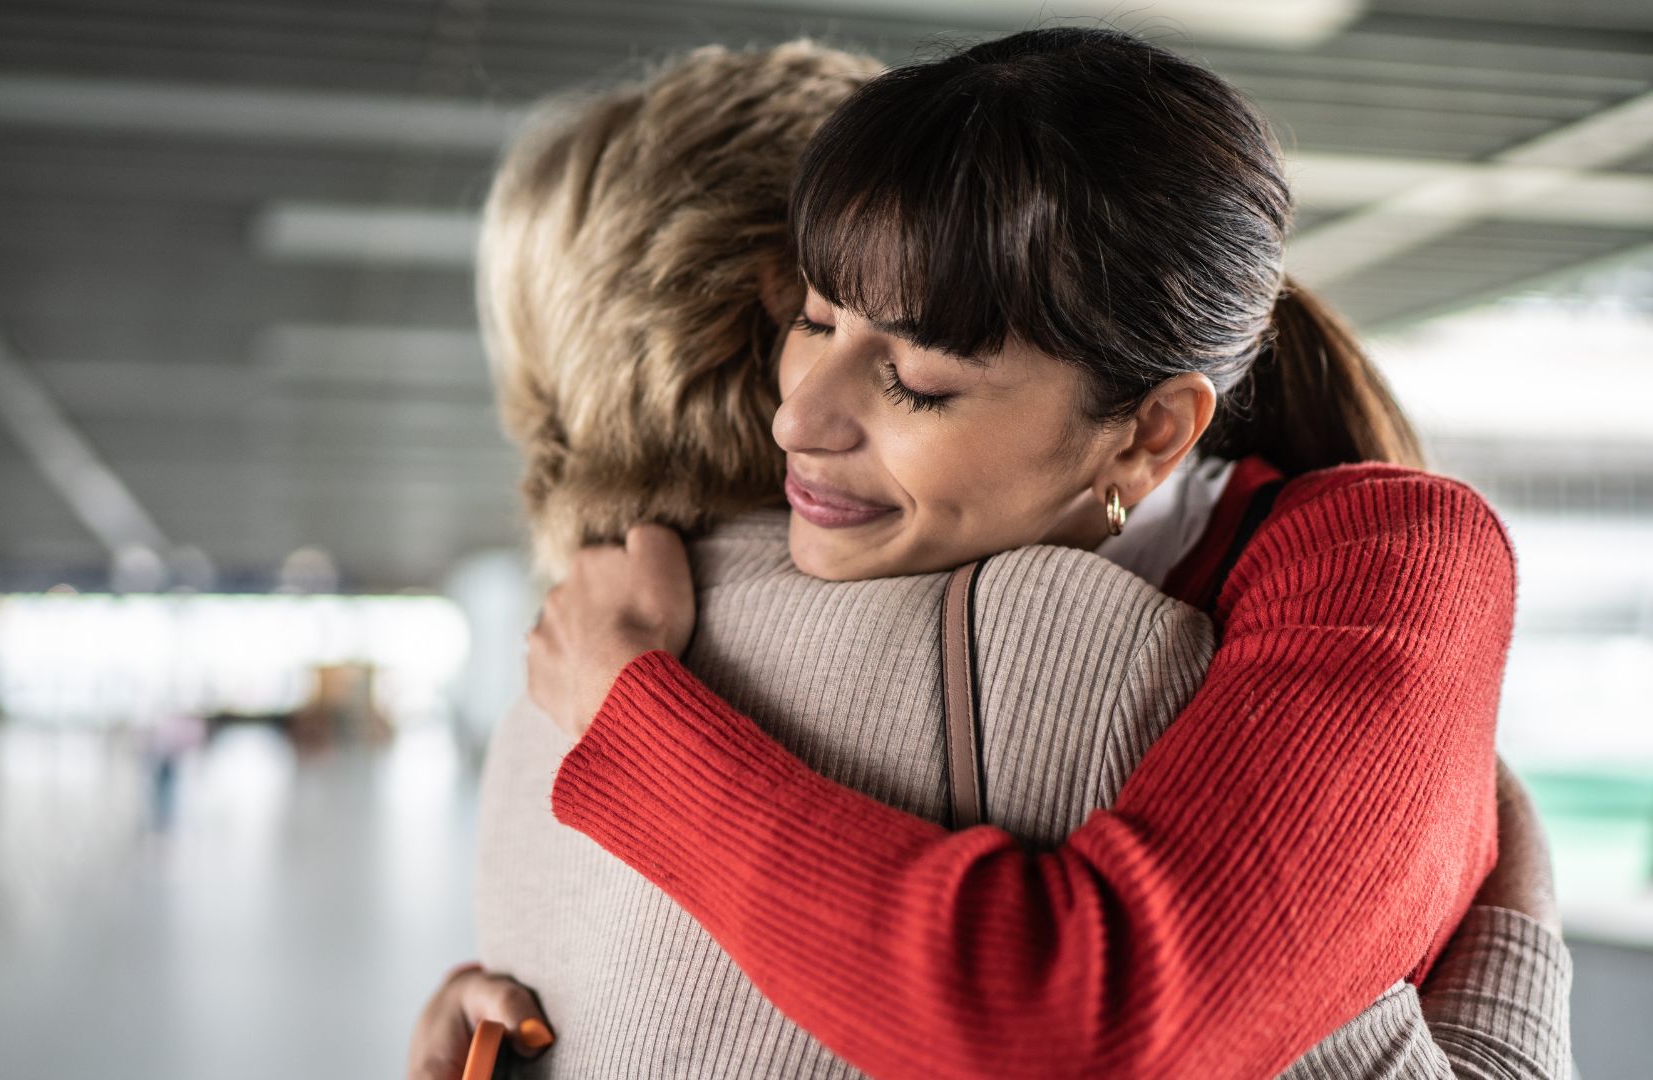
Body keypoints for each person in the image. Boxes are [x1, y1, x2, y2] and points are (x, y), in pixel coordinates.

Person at [408, 36, 1572, 1080]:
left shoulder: (1386, 561)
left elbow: (1080, 1028)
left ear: (1151, 431)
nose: (796, 420)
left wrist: (631, 715)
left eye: (917, 379)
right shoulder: (875, 543)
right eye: (813, 321)